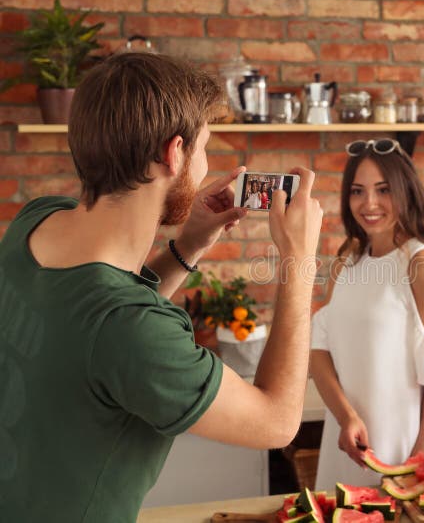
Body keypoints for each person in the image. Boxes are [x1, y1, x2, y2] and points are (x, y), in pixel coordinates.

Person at [0, 52, 323, 521]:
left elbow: (102, 317)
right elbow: (277, 422)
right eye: (205, 147)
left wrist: (189, 244)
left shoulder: (36, 221)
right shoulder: (130, 328)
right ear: (174, 153)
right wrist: (299, 260)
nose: (205, 163)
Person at [309, 138, 424, 490]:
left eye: (383, 190)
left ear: (405, 191)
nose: (370, 203)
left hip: (399, 455)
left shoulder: (420, 263)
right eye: (358, 191)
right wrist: (346, 417)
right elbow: (320, 351)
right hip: (342, 442)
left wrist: (418, 460)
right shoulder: (348, 258)